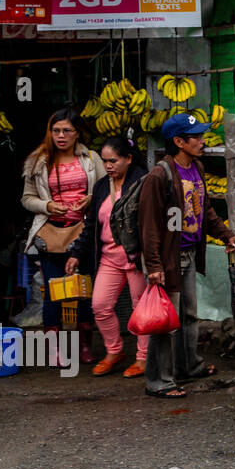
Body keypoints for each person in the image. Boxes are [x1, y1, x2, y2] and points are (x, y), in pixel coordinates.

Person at [139, 113, 235, 398]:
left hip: (188, 254)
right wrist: (154, 266)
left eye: (200, 135)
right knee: (165, 322)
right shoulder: (159, 176)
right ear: (179, 141)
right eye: (195, 137)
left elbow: (205, 209)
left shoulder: (195, 167)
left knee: (189, 315)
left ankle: (188, 366)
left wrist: (226, 234)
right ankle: (159, 381)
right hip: (167, 259)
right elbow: (148, 225)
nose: (201, 140)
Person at [21, 108, 104, 367]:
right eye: (55, 130)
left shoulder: (91, 159)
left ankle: (84, 347)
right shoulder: (38, 161)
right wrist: (46, 206)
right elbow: (26, 198)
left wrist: (91, 198)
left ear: (77, 132)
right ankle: (54, 350)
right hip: (51, 233)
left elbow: (108, 189)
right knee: (53, 293)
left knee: (84, 291)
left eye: (67, 130)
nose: (60, 135)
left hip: (84, 233)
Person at [66, 136, 149, 377]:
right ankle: (114, 351)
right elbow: (91, 224)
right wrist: (76, 254)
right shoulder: (102, 186)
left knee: (140, 310)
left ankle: (143, 358)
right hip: (109, 258)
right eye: (105, 161)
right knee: (100, 305)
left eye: (113, 160)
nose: (108, 166)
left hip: (135, 257)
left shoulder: (142, 182)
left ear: (128, 159)